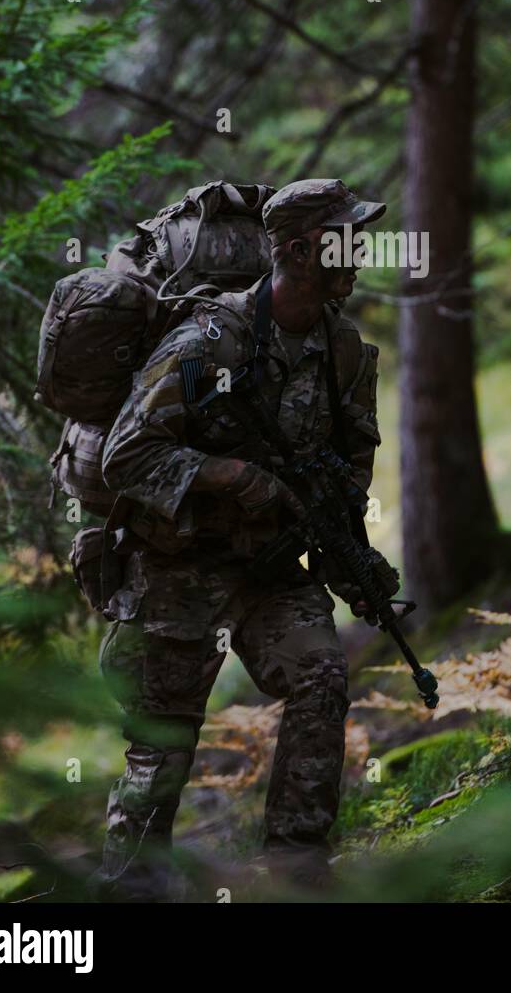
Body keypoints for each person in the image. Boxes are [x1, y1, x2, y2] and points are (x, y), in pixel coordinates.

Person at [94, 178, 387, 900]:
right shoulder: (209, 345)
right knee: (164, 743)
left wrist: (356, 562)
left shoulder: (343, 352)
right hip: (177, 569)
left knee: (321, 673)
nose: (362, 249)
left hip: (270, 569)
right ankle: (129, 889)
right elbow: (126, 455)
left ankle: (295, 869)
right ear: (294, 250)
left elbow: (346, 481)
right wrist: (233, 477)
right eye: (344, 236)